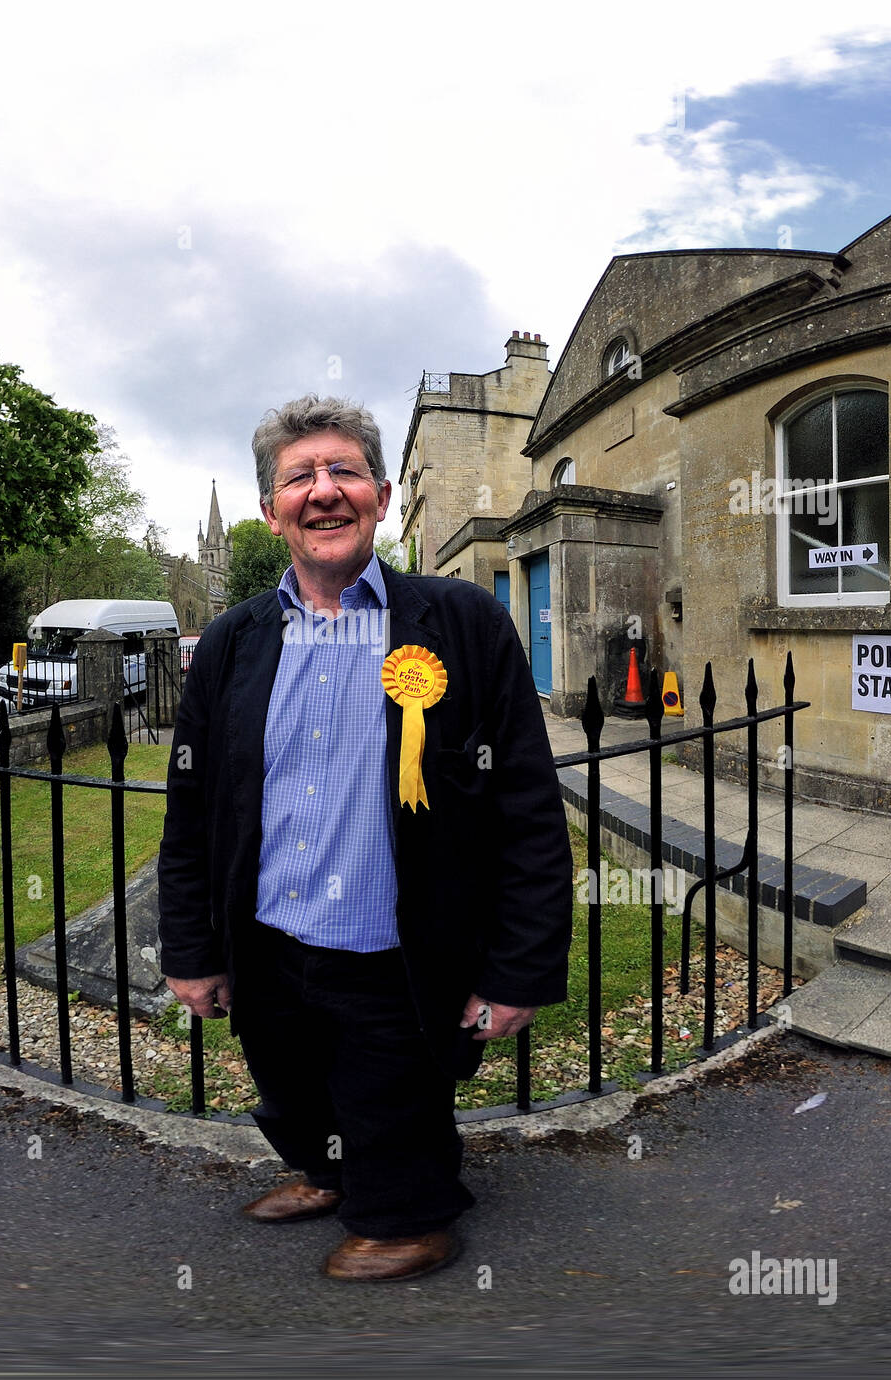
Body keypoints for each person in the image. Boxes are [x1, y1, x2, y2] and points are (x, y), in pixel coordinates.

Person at [158, 394, 573, 1282]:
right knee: (288, 1082)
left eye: (343, 470)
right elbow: (193, 807)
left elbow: (528, 808)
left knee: (394, 1096)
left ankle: (406, 1218)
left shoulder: (461, 623)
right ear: (273, 512)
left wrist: (519, 969)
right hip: (268, 941)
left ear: (382, 497)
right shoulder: (233, 642)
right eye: (299, 477)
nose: (324, 492)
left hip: (392, 943)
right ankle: (325, 1172)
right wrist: (193, 948)